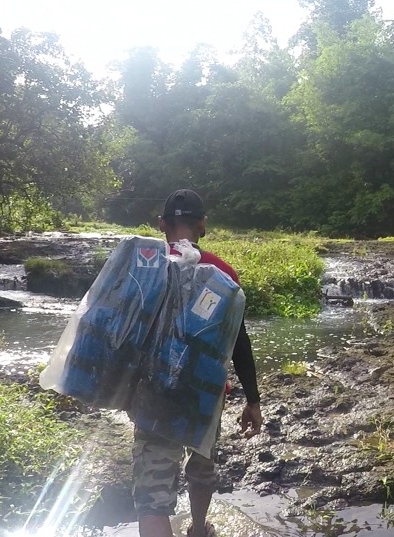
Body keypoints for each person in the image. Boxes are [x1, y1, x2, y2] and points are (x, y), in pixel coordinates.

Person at [137, 189, 263, 537]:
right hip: (206, 394)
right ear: (203, 225)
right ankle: (197, 528)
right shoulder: (223, 273)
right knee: (201, 464)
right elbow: (239, 341)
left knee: (152, 496)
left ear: (161, 224)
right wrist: (252, 401)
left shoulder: (145, 266)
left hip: (154, 391)